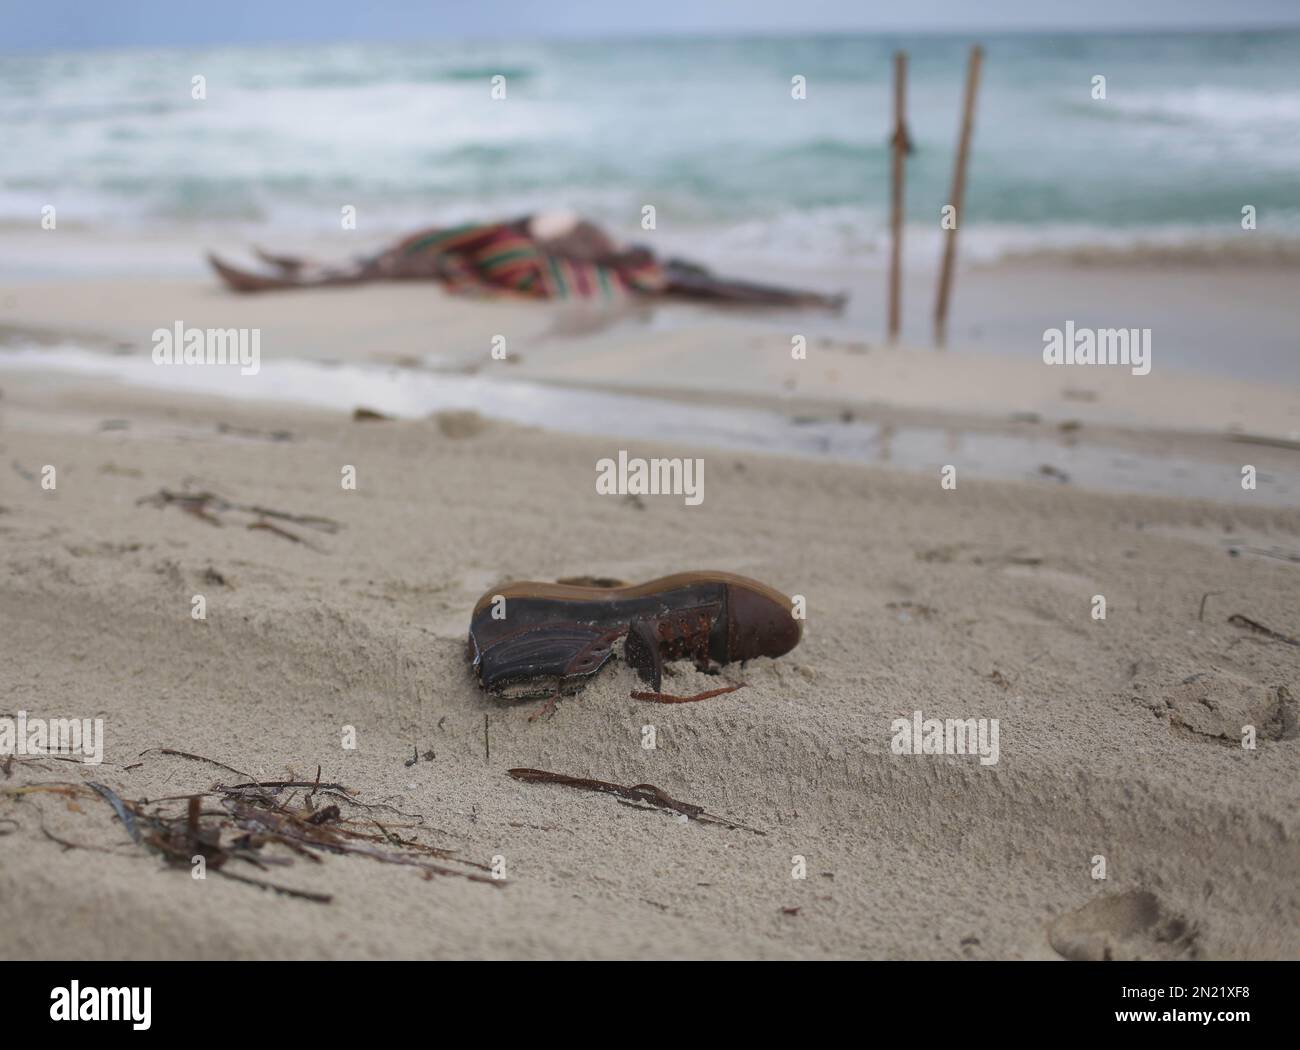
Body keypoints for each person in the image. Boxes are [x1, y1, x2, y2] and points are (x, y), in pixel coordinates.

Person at [208, 210, 845, 309]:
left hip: (496, 252)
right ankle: (288, 271)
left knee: (396, 260)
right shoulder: (617, 256)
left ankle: (282, 276)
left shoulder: (631, 267)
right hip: (494, 245)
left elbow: (716, 287)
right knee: (396, 257)